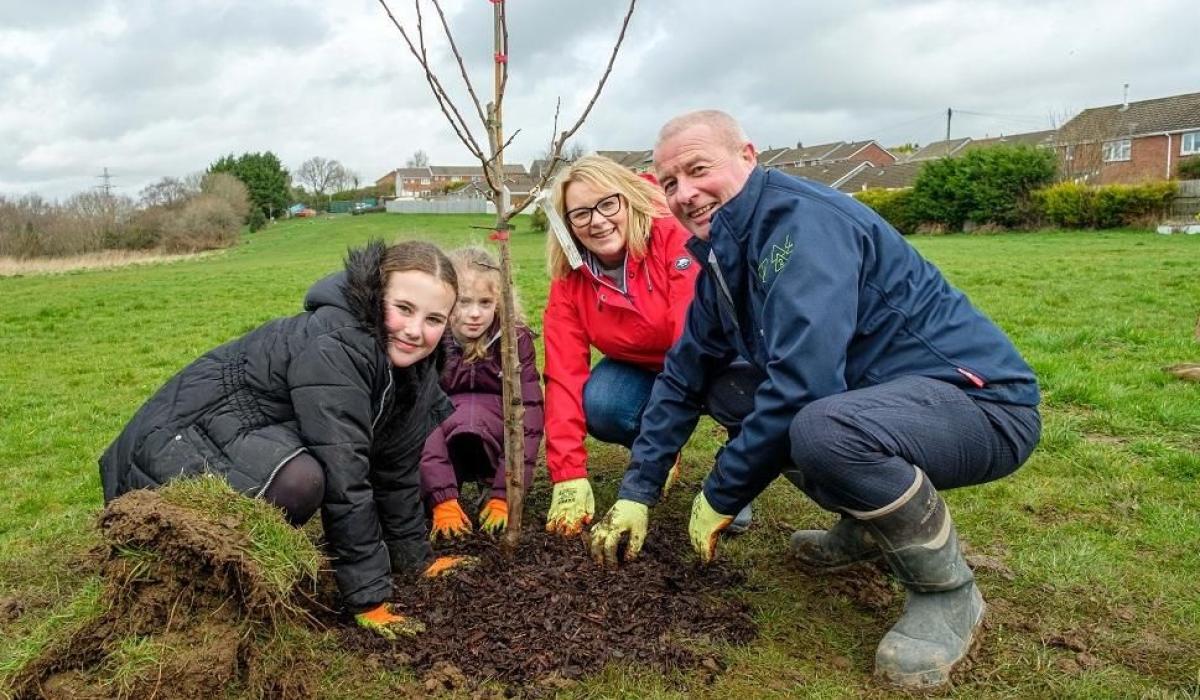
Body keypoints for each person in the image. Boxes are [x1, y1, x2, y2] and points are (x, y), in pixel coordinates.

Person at [589, 111, 1041, 689]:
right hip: (881, 400)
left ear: (747, 156)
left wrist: (720, 491)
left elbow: (804, 384)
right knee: (731, 389)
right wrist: (637, 492)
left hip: (980, 406)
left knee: (821, 428)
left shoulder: (800, 224)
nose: (685, 193)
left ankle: (946, 593)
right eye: (670, 182)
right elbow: (683, 376)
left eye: (698, 170)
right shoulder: (724, 254)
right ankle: (869, 526)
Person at [99, 239, 474, 640]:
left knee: (314, 471)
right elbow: (345, 475)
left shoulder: (415, 367)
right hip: (171, 450)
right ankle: (202, 572)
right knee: (302, 480)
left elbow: (395, 470)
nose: (415, 330)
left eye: (434, 319)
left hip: (238, 438)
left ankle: (232, 562)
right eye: (403, 308)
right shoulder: (340, 345)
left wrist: (412, 559)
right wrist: (369, 599)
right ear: (375, 294)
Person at [541, 154, 756, 537]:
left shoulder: (672, 238)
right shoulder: (569, 281)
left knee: (735, 395)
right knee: (602, 401)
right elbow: (563, 374)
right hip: (644, 365)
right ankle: (665, 452)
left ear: (627, 199)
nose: (598, 220)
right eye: (581, 213)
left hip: (715, 355)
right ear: (568, 225)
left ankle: (734, 474)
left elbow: (690, 347)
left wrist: (642, 479)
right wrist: (567, 473)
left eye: (608, 204)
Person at [419, 246, 544, 539]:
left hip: (496, 434)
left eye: (486, 302)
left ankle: (491, 488)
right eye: (464, 302)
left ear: (500, 303)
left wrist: (506, 493)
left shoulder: (515, 340)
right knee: (454, 420)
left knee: (476, 421)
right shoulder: (430, 341)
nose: (475, 314)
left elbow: (528, 419)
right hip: (444, 435)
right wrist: (441, 498)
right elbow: (420, 417)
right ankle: (448, 493)